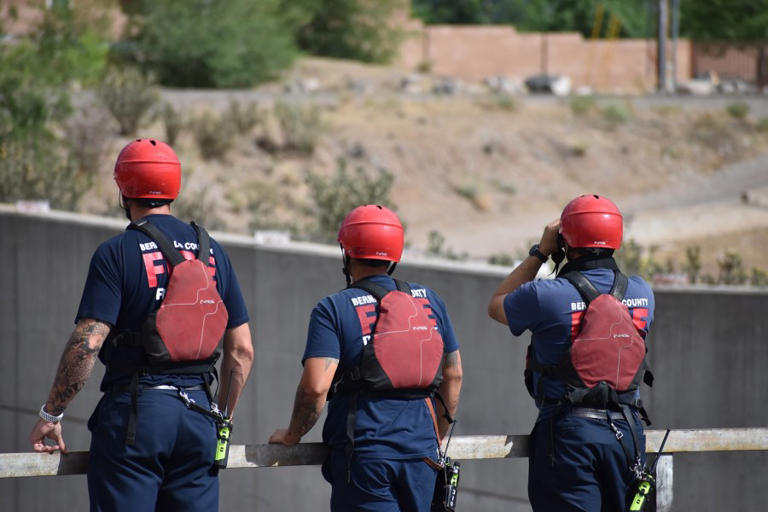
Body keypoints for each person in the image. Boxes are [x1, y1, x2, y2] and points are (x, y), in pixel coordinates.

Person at [29, 138, 254, 511]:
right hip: (200, 414)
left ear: (123, 189)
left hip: (138, 416)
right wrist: (222, 422)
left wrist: (51, 413)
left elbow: (87, 344)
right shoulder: (213, 250)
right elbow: (242, 351)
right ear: (174, 187)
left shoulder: (116, 252)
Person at [269, 204, 463, 512]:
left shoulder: (333, 308)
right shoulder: (430, 301)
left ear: (347, 252)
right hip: (423, 455)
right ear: (394, 255)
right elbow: (453, 375)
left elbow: (315, 389)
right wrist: (435, 435)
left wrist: (293, 434)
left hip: (366, 457)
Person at [487, 194, 655, 512]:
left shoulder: (545, 296)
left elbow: (498, 303)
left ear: (566, 242)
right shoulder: (642, 293)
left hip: (569, 435)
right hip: (628, 431)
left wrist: (541, 252)